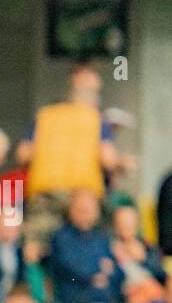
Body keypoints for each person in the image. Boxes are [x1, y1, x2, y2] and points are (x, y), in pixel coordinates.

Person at [18, 63, 123, 249]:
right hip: (82, 195)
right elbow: (107, 159)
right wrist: (122, 165)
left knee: (37, 247)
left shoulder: (45, 116)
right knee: (85, 246)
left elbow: (23, 154)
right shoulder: (96, 119)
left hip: (45, 192)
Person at [50, 189, 122, 303]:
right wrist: (95, 275)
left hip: (105, 297)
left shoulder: (102, 237)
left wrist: (110, 273)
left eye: (89, 209)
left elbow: (116, 270)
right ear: (71, 210)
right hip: (75, 297)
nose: (85, 213)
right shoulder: (61, 237)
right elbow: (70, 267)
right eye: (81, 209)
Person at [109, 204, 168, 303]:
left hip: (152, 298)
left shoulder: (148, 248)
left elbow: (161, 275)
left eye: (129, 224)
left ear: (137, 225)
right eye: (122, 224)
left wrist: (143, 259)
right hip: (125, 299)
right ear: (115, 225)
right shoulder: (108, 248)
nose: (125, 228)